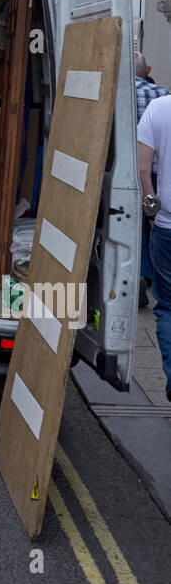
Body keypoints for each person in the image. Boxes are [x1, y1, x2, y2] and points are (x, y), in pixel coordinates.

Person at [136, 87, 171, 403]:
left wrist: (151, 210)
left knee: (168, 308)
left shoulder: (159, 108)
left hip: (167, 226)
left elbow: (143, 169)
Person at [135, 51, 168, 307]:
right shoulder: (161, 93)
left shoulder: (122, 94)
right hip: (162, 169)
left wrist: (150, 208)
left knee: (142, 227)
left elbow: (142, 169)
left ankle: (142, 274)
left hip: (139, 170)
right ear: (148, 70)